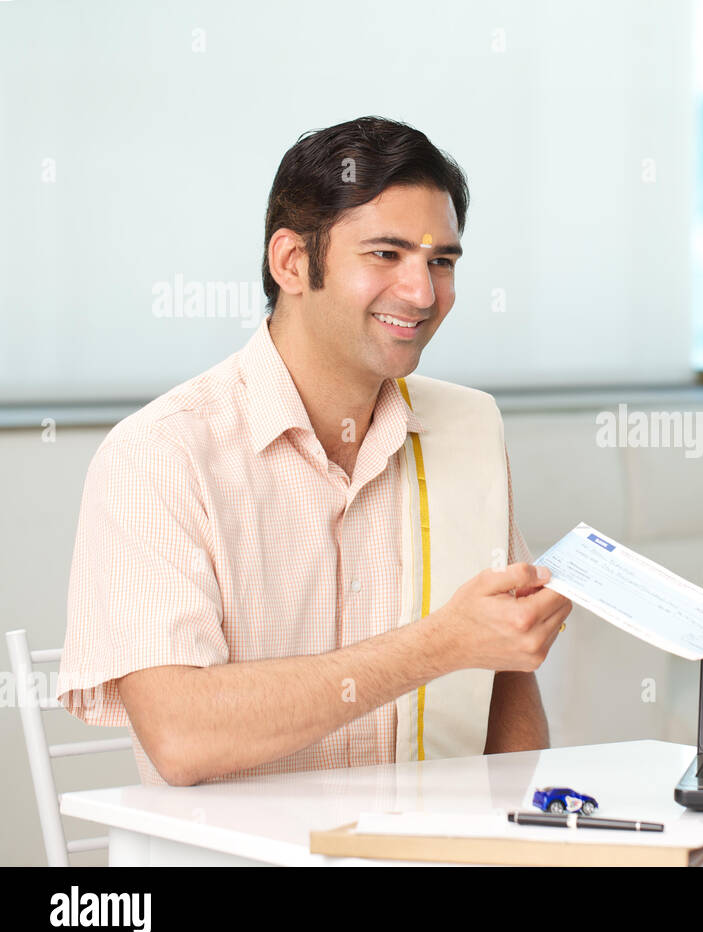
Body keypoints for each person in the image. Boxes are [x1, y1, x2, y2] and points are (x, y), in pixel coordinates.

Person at [57, 116, 571, 786]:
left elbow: (506, 686)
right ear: (292, 263)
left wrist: (525, 841)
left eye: (440, 261)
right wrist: (439, 645)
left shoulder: (466, 430)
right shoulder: (161, 456)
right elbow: (181, 735)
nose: (423, 294)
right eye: (386, 255)